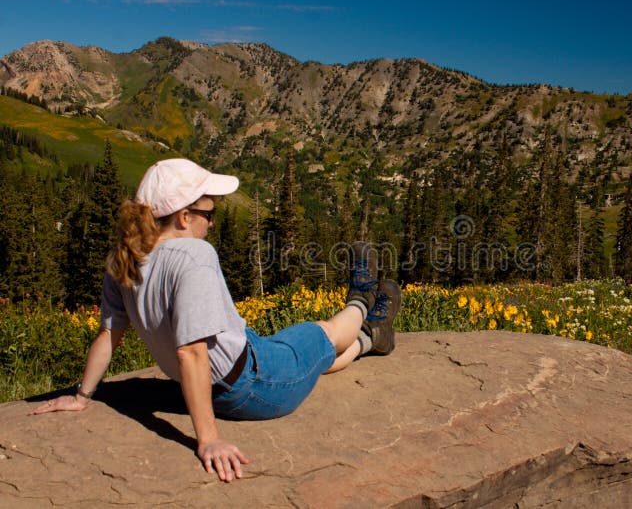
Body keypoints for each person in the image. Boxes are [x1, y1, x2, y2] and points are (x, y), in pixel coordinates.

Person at [32, 158, 401, 482]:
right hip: (257, 382)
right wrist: (207, 440)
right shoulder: (194, 254)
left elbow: (109, 333)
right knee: (321, 331)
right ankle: (362, 301)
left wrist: (83, 396)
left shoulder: (125, 258)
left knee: (315, 361)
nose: (211, 223)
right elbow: (191, 352)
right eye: (209, 214)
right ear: (184, 217)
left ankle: (371, 339)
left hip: (225, 380)